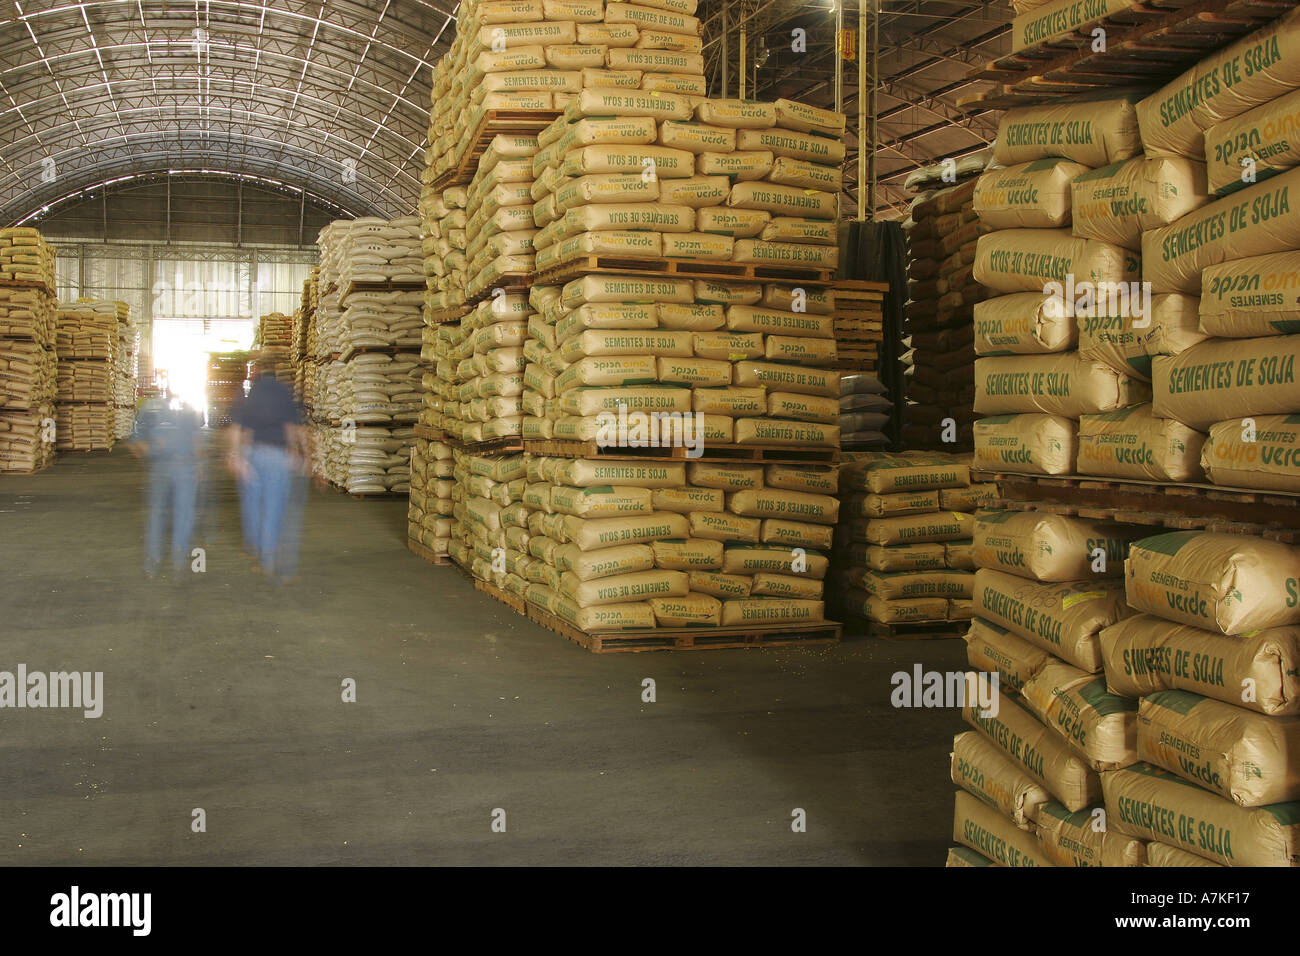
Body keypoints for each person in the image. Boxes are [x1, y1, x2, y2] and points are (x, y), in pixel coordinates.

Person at [227, 366, 310, 581]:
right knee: (273, 507)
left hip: (253, 454)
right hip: (277, 456)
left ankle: (256, 545)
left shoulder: (252, 393)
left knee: (252, 503)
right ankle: (268, 559)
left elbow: (240, 427)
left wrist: (237, 456)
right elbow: (292, 428)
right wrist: (301, 454)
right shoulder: (284, 392)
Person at [133, 392, 204, 577]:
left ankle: (153, 561)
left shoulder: (149, 407)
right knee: (184, 513)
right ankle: (179, 560)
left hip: (160, 467)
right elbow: (196, 439)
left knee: (157, 514)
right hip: (184, 465)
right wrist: (198, 466)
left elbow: (137, 442)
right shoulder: (188, 408)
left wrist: (150, 455)